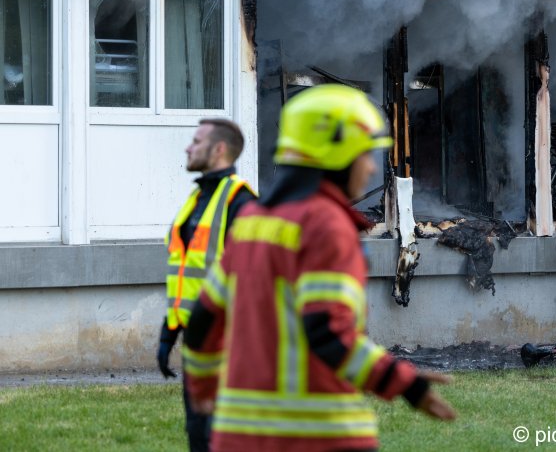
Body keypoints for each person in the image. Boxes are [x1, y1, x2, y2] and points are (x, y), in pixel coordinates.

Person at [182, 84, 456, 452]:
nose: (372, 166)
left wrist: (201, 389)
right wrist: (401, 381)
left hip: (237, 438)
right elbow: (326, 331)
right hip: (319, 438)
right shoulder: (325, 225)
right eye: (366, 153)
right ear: (337, 152)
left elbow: (202, 321)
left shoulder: (251, 222)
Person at [158, 118, 256, 452]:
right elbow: (186, 274)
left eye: (196, 141)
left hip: (229, 346)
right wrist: (168, 333)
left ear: (218, 149)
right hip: (196, 342)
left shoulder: (242, 204)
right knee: (198, 435)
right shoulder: (196, 200)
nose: (188, 147)